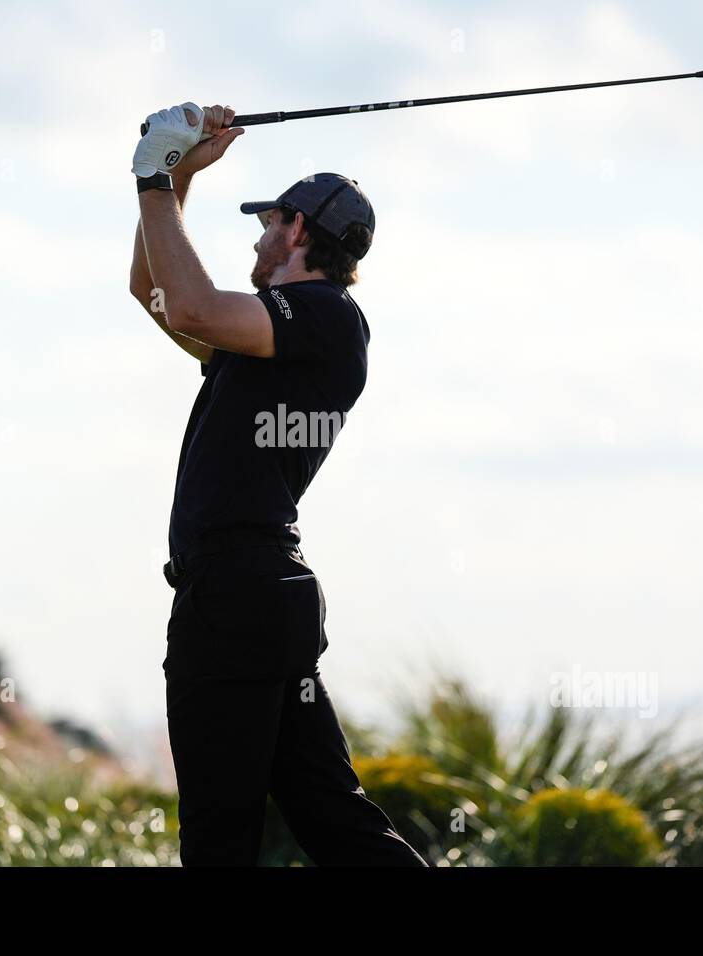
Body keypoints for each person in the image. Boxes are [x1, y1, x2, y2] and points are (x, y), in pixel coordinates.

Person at [128, 103, 427, 866]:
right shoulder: (271, 335)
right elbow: (156, 294)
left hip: (236, 598)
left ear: (298, 230)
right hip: (260, 600)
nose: (257, 239)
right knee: (337, 823)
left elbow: (191, 301)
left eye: (266, 224)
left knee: (220, 838)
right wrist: (175, 177)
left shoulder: (325, 317)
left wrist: (154, 176)